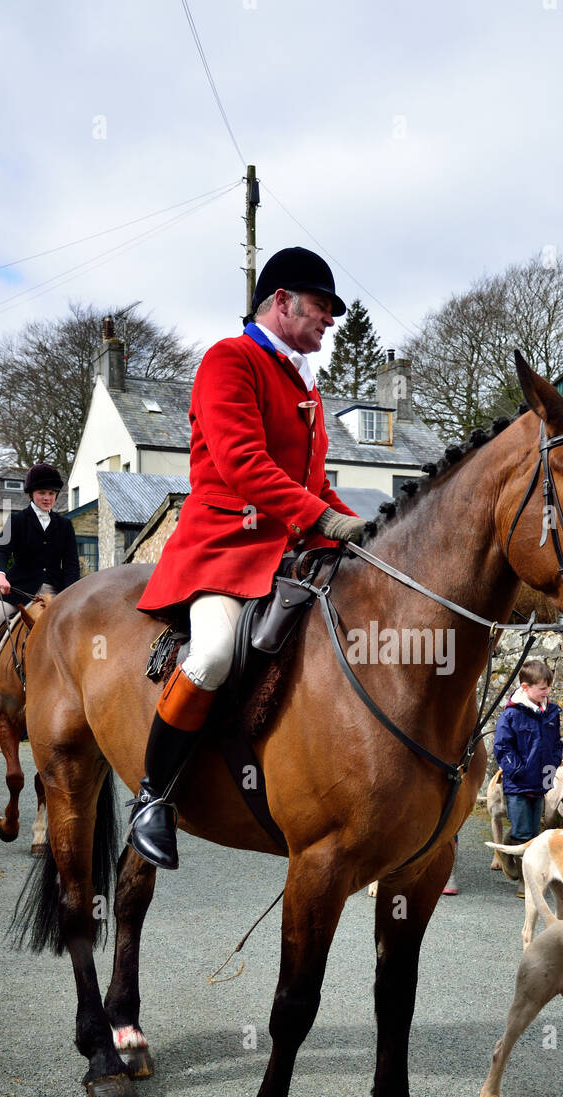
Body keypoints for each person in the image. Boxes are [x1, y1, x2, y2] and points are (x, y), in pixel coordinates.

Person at [128, 247, 364, 870]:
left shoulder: (303, 380)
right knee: (211, 653)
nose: (330, 320)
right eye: (321, 307)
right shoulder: (228, 361)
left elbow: (311, 481)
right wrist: (322, 517)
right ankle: (154, 797)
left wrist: (363, 527)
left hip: (289, 547)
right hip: (225, 546)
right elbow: (243, 466)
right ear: (281, 302)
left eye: (334, 311)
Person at [0, 464, 79, 716]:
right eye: (42, 492)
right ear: (31, 493)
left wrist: (72, 593)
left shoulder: (65, 526)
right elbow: (0, 552)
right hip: (16, 591)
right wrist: (0, 575)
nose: (47, 498)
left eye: (52, 493)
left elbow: (71, 565)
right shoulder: (17, 520)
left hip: (56, 595)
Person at [493, 659, 563, 849]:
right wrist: (518, 770)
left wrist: (553, 763)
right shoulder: (511, 715)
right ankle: (519, 873)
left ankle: (529, 874)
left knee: (534, 834)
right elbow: (502, 746)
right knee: (522, 833)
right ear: (525, 687)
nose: (547, 691)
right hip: (519, 785)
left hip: (541, 783)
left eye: (548, 687)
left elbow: (557, 743)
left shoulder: (551, 712)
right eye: (542, 688)